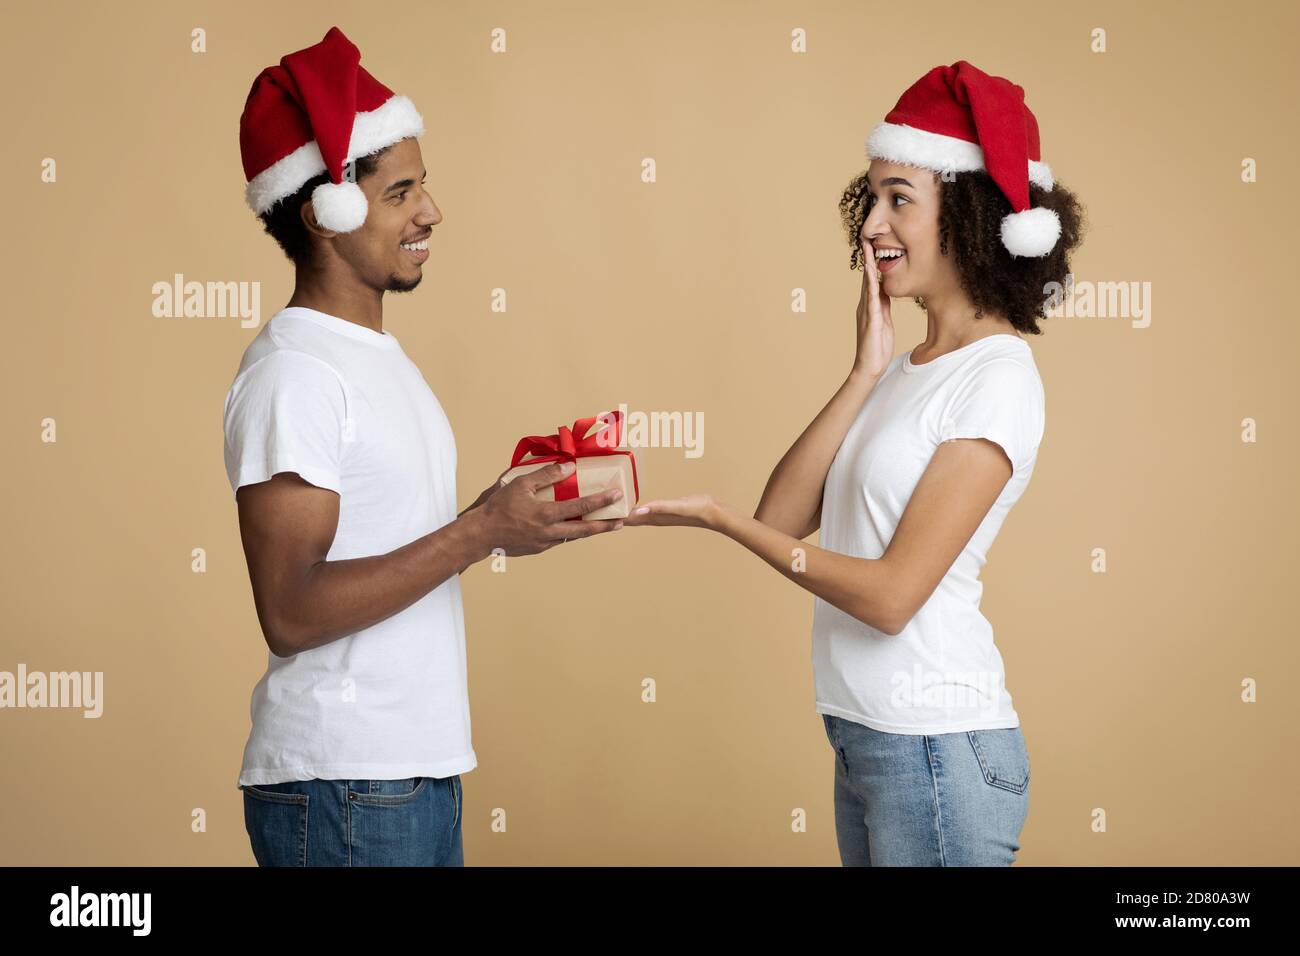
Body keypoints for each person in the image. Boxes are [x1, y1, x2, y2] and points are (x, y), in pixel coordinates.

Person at [625, 61, 1085, 866]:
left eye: (899, 198)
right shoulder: (908, 370)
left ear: (971, 216)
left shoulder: (998, 377)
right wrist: (864, 373)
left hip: (937, 749)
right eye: (870, 197)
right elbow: (784, 519)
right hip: (870, 739)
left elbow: (891, 597)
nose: (872, 223)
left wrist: (717, 520)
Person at [223, 26, 624, 867]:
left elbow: (404, 547)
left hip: (411, 776)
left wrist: (499, 516)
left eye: (423, 187)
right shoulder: (295, 373)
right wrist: (478, 533)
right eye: (402, 192)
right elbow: (291, 610)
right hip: (345, 786)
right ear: (325, 214)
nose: (430, 211)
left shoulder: (374, 361)